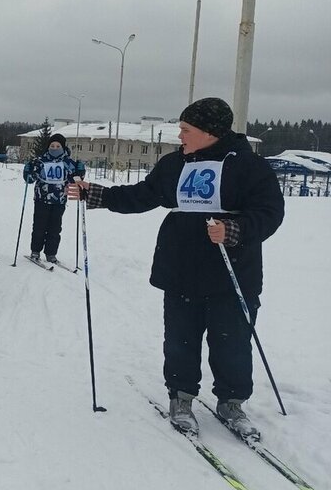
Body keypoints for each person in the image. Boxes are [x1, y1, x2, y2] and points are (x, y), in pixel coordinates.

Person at [68, 98, 284, 438]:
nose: (180, 136)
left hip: (232, 272)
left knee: (232, 342)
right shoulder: (174, 163)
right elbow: (143, 195)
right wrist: (98, 195)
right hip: (181, 269)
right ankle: (181, 398)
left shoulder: (248, 166)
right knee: (180, 340)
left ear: (210, 132)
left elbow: (270, 212)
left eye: (186, 130)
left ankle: (231, 402)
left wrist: (234, 230)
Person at [23, 133, 85, 264]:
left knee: (55, 228)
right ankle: (35, 251)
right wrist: (27, 171)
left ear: (63, 147)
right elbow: (30, 179)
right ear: (48, 147)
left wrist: (80, 171)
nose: (55, 148)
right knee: (39, 226)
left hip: (59, 200)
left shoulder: (68, 162)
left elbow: (75, 180)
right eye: (52, 146)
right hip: (42, 199)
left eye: (58, 146)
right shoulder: (40, 161)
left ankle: (51, 253)